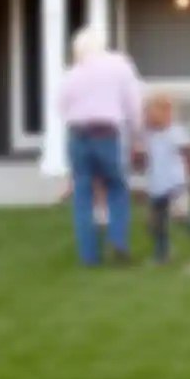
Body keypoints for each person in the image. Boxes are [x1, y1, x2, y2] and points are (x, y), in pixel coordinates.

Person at [59, 27, 143, 267]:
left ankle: (89, 256)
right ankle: (118, 239)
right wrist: (137, 136)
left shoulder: (73, 73)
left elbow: (61, 105)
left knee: (82, 195)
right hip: (106, 134)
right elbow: (133, 104)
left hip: (77, 135)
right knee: (116, 187)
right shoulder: (120, 66)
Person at [142, 94, 190, 264]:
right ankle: (162, 253)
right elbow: (146, 160)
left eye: (152, 114)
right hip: (157, 185)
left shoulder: (176, 133)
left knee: (181, 214)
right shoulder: (149, 136)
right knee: (156, 223)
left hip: (176, 183)